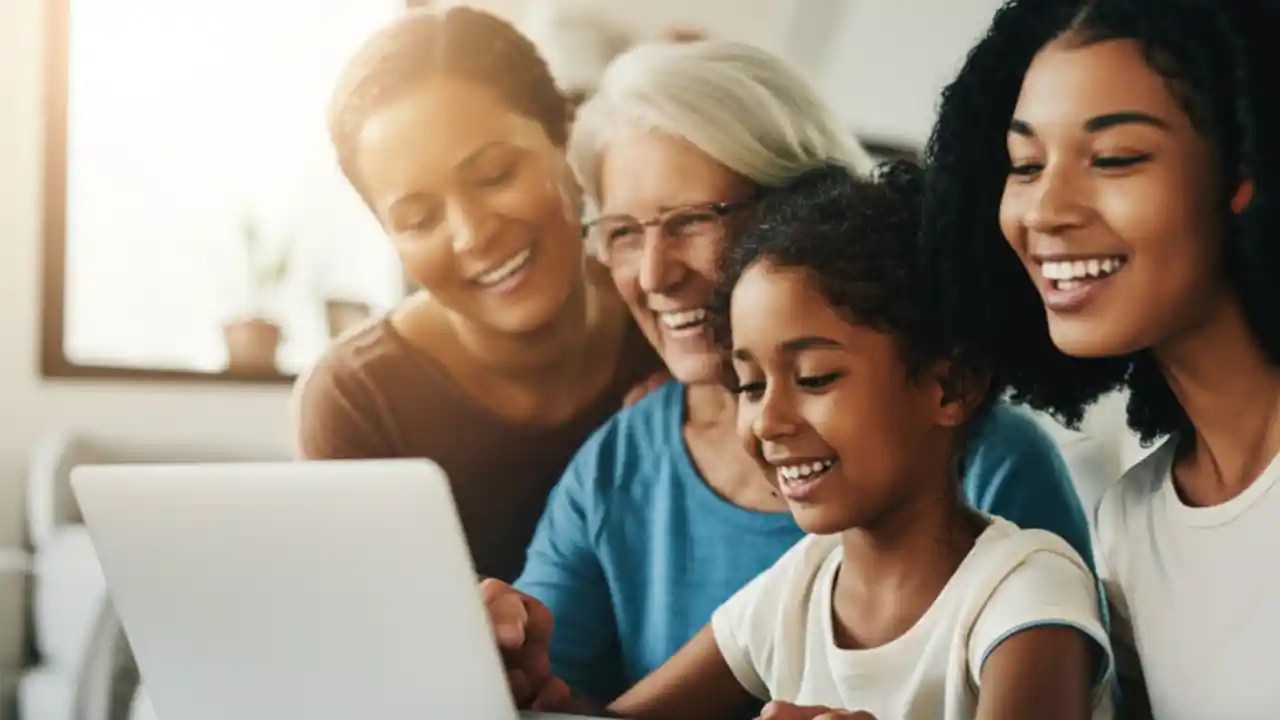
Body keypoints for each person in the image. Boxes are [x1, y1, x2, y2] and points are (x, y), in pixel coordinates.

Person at [485, 39, 1098, 711]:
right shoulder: (799, 582)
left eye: (813, 377)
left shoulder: (1018, 568)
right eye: (749, 384)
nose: (655, 274)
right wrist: (512, 683)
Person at [921, 0, 1280, 716]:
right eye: (1024, 164)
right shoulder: (1131, 524)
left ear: (1244, 171)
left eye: (1115, 159)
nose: (1046, 209)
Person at [294, 6, 657, 582]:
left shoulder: (670, 314)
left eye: (493, 176)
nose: (472, 234)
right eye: (417, 218)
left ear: (566, 135)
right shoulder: (360, 398)